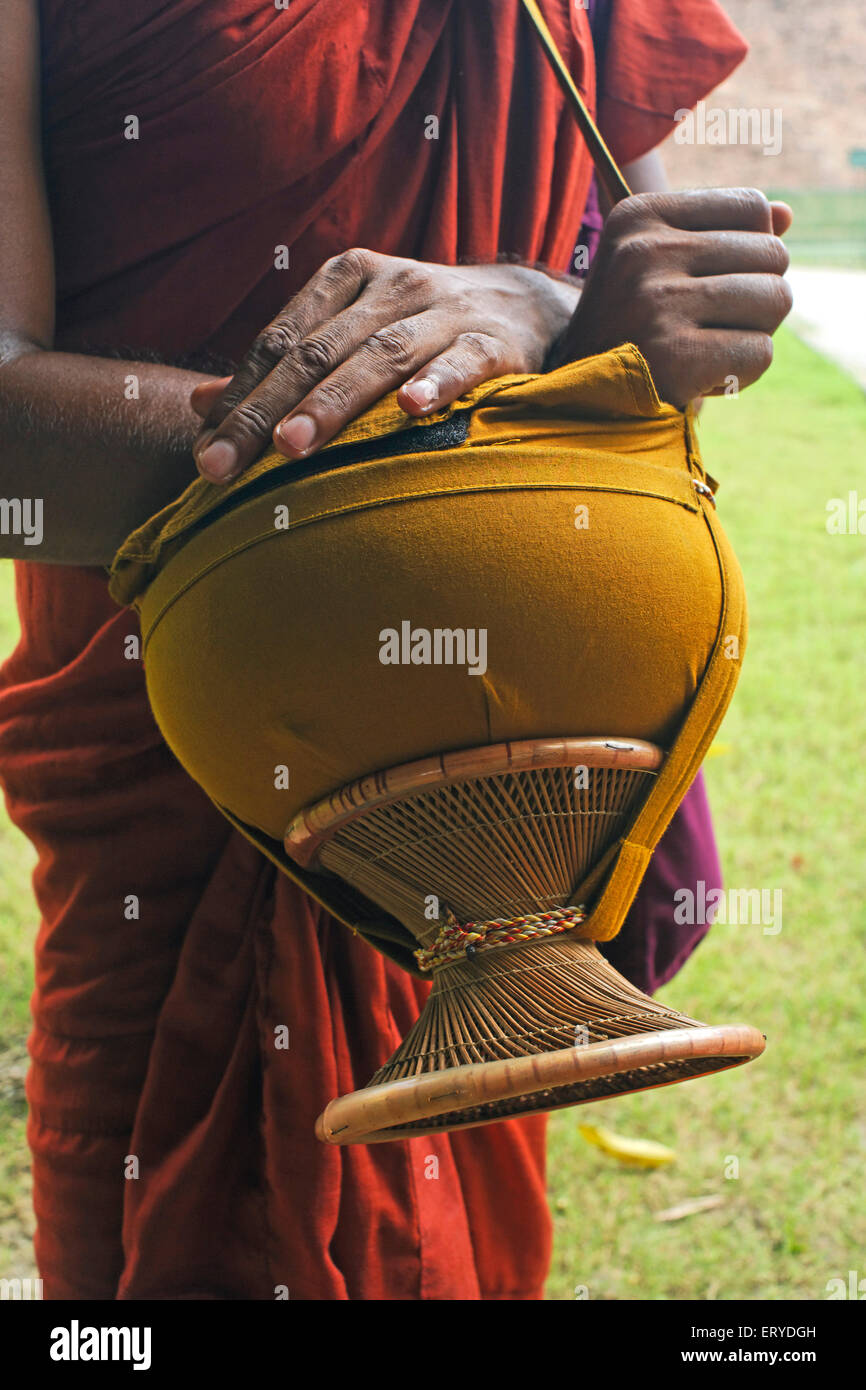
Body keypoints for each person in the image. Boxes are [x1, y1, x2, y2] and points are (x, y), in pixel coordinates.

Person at [0, 0, 792, 1300]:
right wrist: (449, 411)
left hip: (511, 790)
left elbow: (665, 305)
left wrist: (543, 302)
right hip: (195, 758)